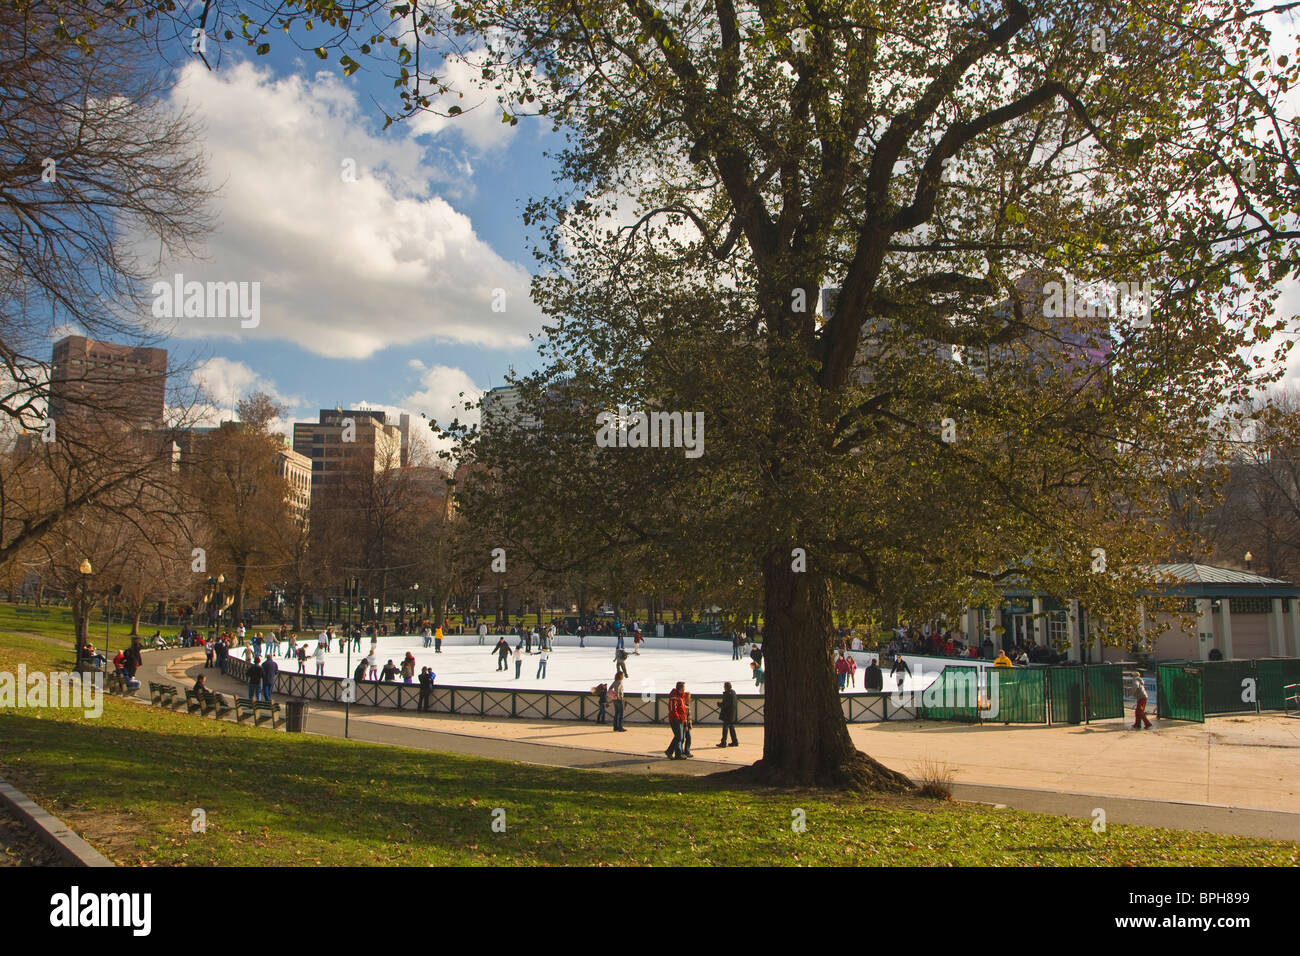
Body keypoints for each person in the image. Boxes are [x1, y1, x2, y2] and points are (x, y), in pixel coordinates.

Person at [665, 683, 687, 759]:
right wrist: (677, 717)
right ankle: (670, 751)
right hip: (675, 719)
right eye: (684, 688)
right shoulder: (674, 697)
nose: (684, 689)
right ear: (680, 688)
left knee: (679, 737)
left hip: (680, 719)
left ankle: (677, 754)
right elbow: (672, 709)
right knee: (678, 737)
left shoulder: (680, 697)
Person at [717, 681, 739, 747]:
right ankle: (735, 741)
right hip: (732, 714)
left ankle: (723, 742)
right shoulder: (733, 692)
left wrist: (719, 704)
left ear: (726, 687)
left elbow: (726, 704)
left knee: (725, 728)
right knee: (731, 728)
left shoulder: (727, 694)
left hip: (727, 714)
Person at [680, 684, 693, 757]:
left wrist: (690, 724)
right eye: (689, 698)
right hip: (685, 725)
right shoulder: (685, 706)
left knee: (686, 738)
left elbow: (689, 717)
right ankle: (685, 751)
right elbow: (685, 717)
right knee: (685, 738)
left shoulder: (687, 705)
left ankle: (685, 751)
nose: (690, 699)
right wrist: (686, 725)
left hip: (687, 725)